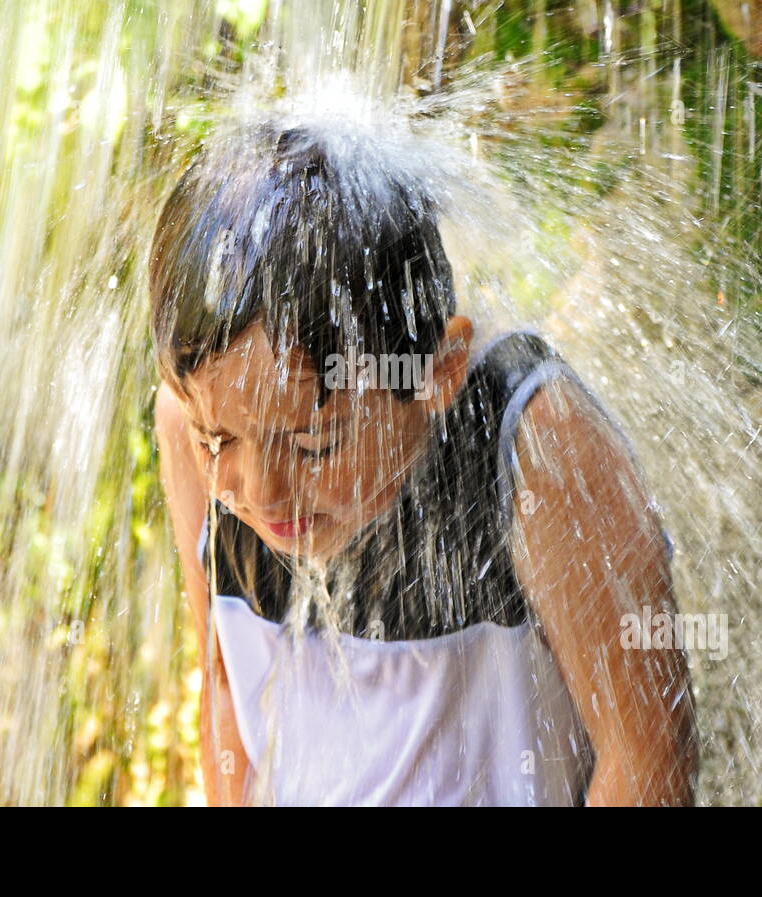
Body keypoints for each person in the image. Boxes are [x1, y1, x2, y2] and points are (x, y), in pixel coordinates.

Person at [149, 120, 696, 806]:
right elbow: (226, 677)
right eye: (219, 440)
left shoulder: (536, 446)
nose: (263, 490)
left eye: (316, 443)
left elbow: (650, 754)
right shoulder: (187, 425)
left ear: (438, 371)